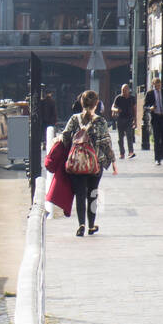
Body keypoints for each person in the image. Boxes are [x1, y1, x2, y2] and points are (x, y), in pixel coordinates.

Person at [58, 89, 117, 237]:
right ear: (96, 104)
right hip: (95, 163)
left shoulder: (74, 119)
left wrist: (69, 147)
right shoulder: (100, 121)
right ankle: (91, 225)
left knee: (80, 194)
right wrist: (113, 161)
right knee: (93, 193)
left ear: (81, 103)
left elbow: (65, 135)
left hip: (76, 163)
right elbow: (105, 143)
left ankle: (81, 225)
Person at [144, 76, 163, 165]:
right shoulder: (149, 94)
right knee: (156, 139)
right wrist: (150, 108)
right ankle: (157, 158)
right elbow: (145, 106)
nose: (158, 87)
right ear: (153, 85)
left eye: (159, 85)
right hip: (155, 118)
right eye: (156, 86)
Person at [111, 83, 137, 159]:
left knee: (129, 136)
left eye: (125, 90)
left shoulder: (132, 98)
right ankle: (122, 153)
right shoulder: (118, 98)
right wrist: (116, 110)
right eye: (122, 90)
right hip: (120, 119)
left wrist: (135, 120)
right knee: (120, 138)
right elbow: (112, 107)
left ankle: (131, 152)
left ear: (128, 90)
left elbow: (135, 109)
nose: (123, 91)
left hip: (129, 119)